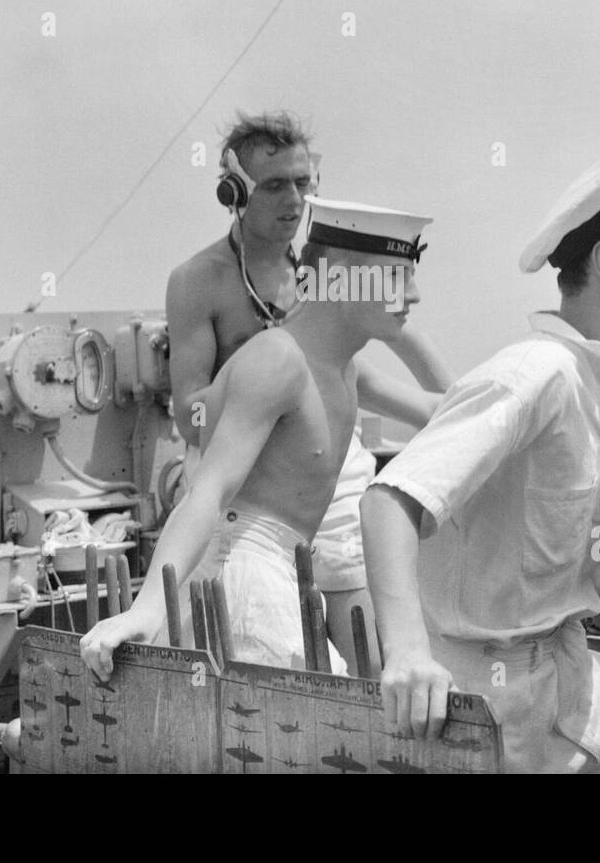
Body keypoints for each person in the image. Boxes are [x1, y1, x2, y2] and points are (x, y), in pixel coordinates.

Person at [361, 138, 600, 773]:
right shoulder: (534, 374)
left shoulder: (595, 375)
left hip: (569, 672)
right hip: (500, 700)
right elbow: (390, 500)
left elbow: (573, 527)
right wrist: (406, 650)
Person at [82, 197, 432, 678]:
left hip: (283, 574)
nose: (413, 295)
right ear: (336, 281)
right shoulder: (278, 360)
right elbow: (209, 489)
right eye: (395, 278)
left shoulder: (343, 370)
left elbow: (444, 410)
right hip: (243, 577)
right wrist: (146, 609)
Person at [164, 112, 449, 676]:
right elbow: (189, 410)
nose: (293, 200)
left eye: (302, 182)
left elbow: (368, 374)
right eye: (273, 185)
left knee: (374, 663)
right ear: (234, 192)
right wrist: (265, 376)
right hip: (245, 477)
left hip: (333, 473)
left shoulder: (324, 269)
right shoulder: (200, 280)